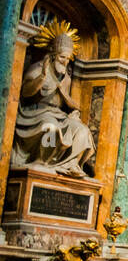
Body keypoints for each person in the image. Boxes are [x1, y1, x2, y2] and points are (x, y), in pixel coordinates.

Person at [11, 21, 96, 176]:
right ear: (53, 55)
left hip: (58, 115)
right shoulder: (38, 68)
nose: (66, 61)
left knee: (82, 130)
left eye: (69, 58)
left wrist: (70, 104)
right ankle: (41, 160)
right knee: (50, 127)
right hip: (36, 114)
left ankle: (71, 164)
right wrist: (42, 78)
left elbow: (69, 103)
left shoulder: (66, 77)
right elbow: (25, 93)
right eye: (63, 57)